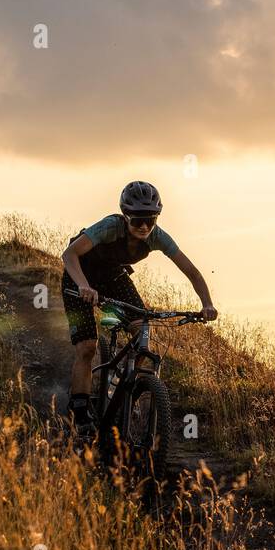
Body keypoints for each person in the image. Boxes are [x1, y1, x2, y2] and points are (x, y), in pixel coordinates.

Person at [60, 180, 217, 434]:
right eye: (137, 221)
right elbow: (69, 255)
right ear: (125, 216)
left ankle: (125, 392)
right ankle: (80, 415)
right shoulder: (110, 227)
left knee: (142, 332)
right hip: (78, 277)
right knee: (87, 347)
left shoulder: (157, 237)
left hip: (113, 276)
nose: (144, 226)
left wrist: (207, 304)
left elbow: (192, 272)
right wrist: (83, 287)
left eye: (151, 220)